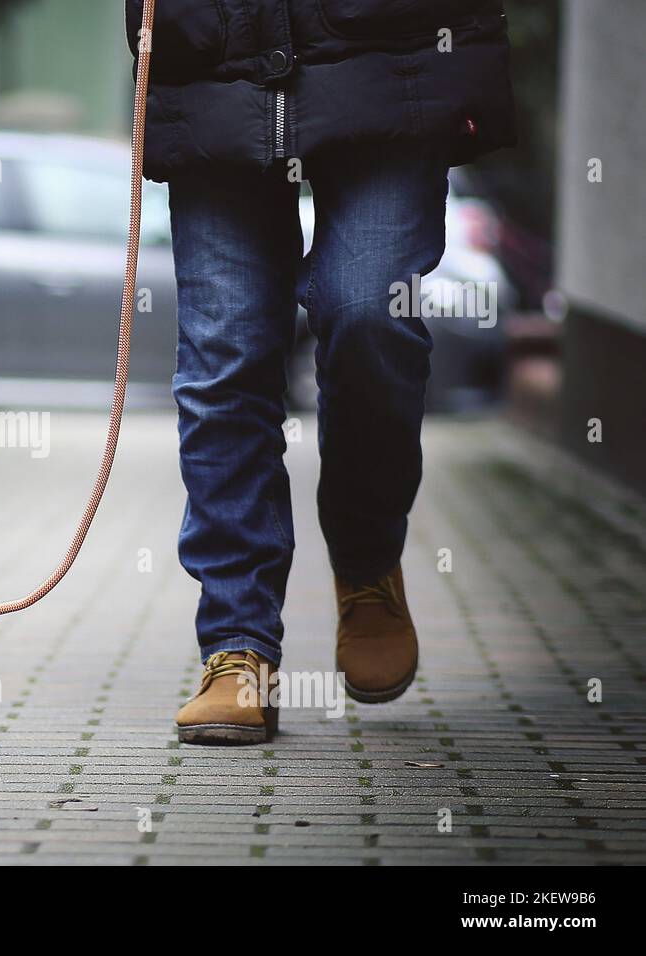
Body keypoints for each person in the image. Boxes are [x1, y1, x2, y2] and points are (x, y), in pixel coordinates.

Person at [125, 0, 516, 744]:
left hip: (388, 61)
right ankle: (236, 647)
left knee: (368, 310)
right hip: (215, 65)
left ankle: (368, 563)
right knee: (225, 358)